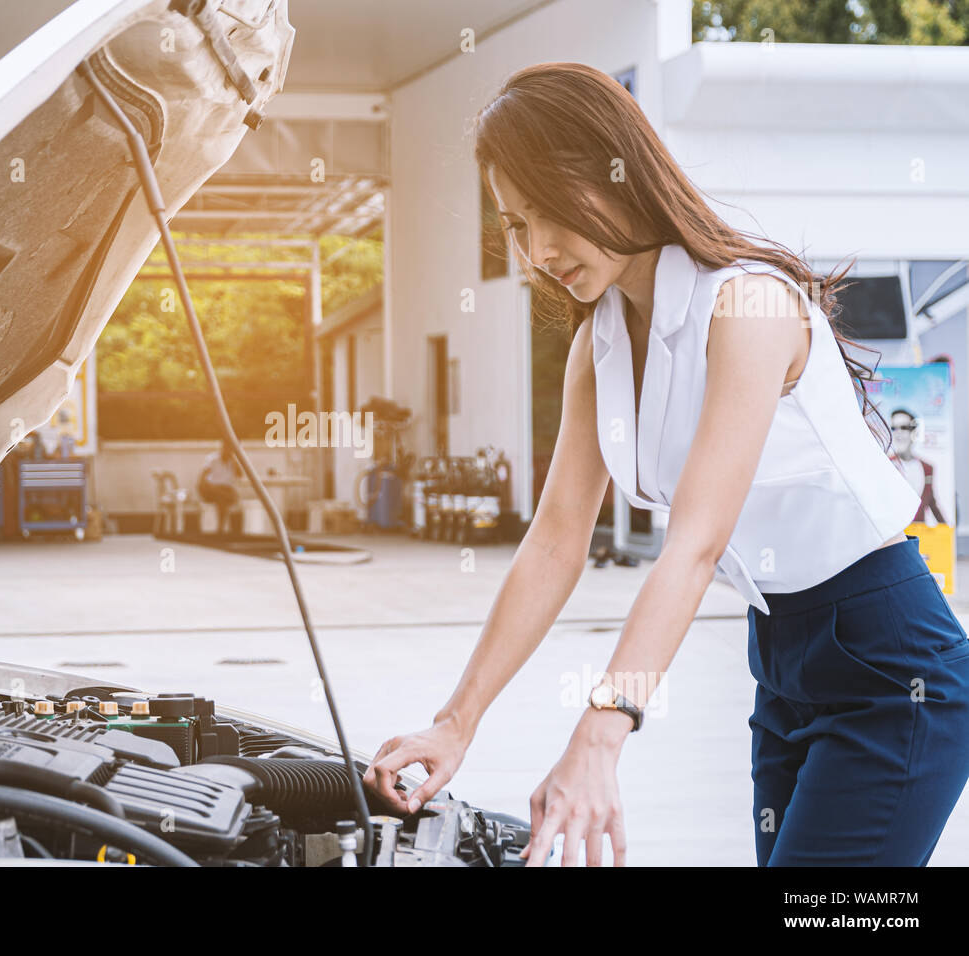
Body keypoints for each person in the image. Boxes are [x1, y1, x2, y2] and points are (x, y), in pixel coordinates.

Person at [364, 62, 969, 867]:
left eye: (551, 211)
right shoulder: (599, 344)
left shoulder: (747, 305)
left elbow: (692, 544)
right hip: (781, 659)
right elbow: (554, 542)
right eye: (516, 225)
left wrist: (601, 733)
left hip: (892, 665)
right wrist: (457, 720)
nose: (539, 250)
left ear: (620, 171)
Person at [888, 408, 946, 524]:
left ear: (914, 432)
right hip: (894, 536)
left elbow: (931, 502)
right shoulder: (885, 465)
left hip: (918, 536)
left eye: (904, 428)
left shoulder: (927, 468)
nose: (898, 433)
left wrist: (947, 530)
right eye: (894, 428)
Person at [197, 440, 242, 534]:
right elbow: (203, 477)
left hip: (225, 491)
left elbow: (240, 475)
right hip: (212, 489)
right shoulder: (212, 459)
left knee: (222, 498)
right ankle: (223, 529)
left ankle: (221, 529)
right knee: (223, 496)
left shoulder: (234, 461)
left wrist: (234, 460)